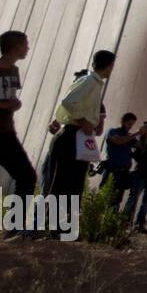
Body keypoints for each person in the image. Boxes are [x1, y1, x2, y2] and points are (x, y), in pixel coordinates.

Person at [45, 50, 115, 224]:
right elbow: (68, 102)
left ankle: (65, 226)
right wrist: (83, 121)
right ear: (108, 65)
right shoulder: (90, 81)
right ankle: (53, 225)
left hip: (80, 137)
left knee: (75, 184)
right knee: (62, 183)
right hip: (71, 135)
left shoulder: (95, 83)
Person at [0, 31, 37, 224]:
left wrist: (15, 103)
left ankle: (15, 226)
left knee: (27, 176)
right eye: (25, 44)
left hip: (6, 133)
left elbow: (9, 98)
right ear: (14, 46)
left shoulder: (14, 71)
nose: (27, 48)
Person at [99, 113, 139, 209]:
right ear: (123, 122)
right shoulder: (113, 132)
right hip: (112, 171)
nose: (130, 127)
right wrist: (137, 133)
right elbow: (119, 141)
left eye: (132, 125)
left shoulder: (129, 136)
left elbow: (140, 145)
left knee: (117, 201)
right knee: (106, 198)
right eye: (129, 124)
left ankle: (113, 218)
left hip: (123, 173)